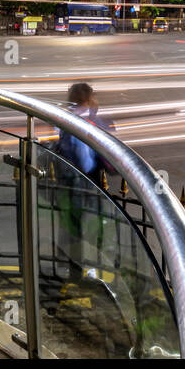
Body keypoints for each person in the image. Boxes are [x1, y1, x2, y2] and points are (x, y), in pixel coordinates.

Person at [51, 83, 118, 279]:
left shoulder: (62, 118)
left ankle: (72, 268)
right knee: (91, 225)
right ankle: (88, 268)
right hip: (84, 180)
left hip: (69, 180)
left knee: (71, 226)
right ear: (88, 99)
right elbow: (85, 157)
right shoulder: (88, 119)